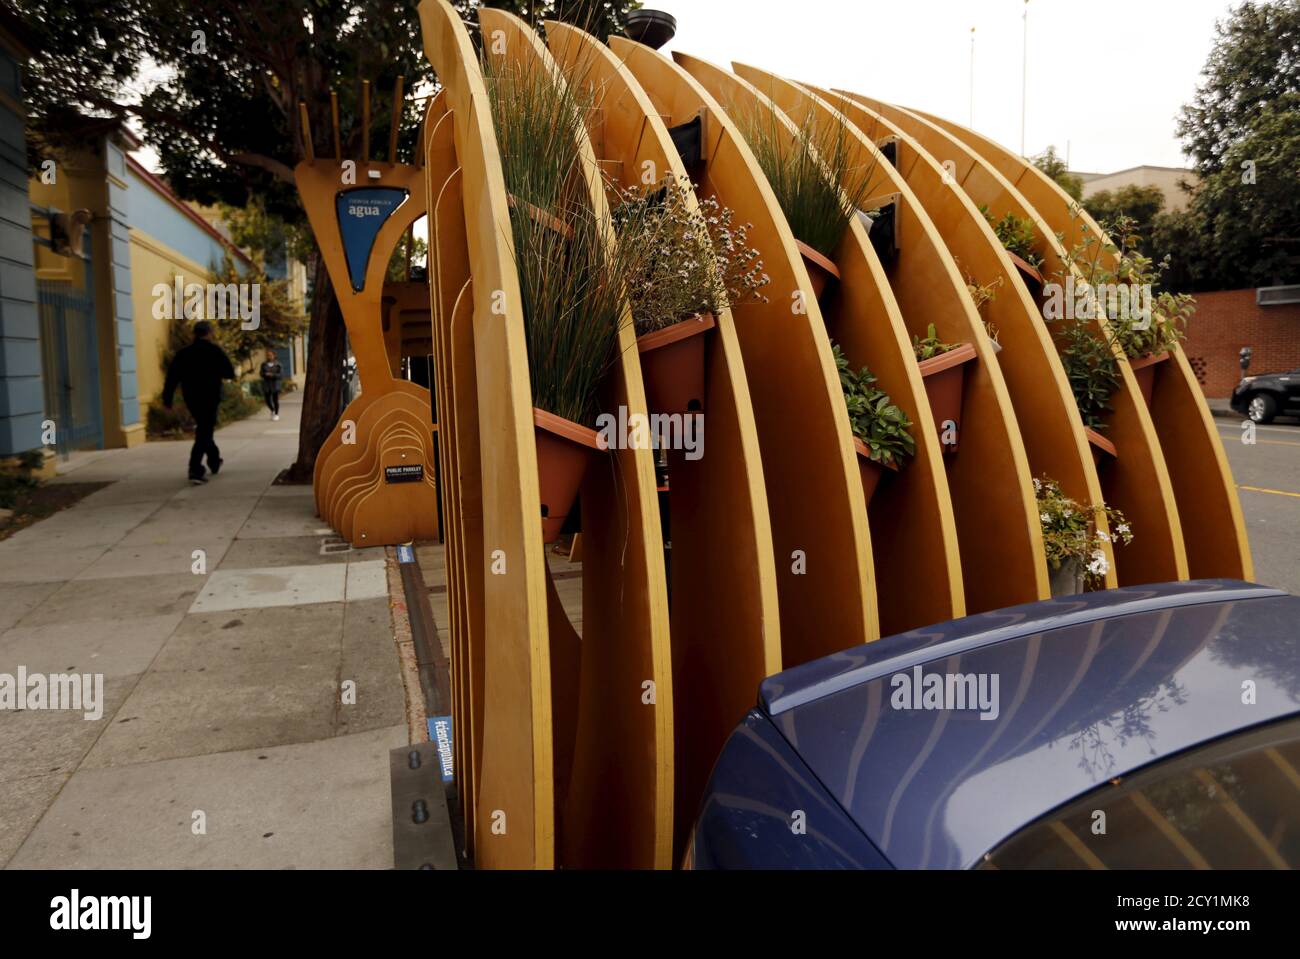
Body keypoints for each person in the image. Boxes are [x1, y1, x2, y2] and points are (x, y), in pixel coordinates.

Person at [162, 320, 236, 485]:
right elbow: (230, 373)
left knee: (204, 429)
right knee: (204, 430)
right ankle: (195, 468)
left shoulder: (183, 353)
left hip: (192, 397)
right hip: (210, 396)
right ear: (209, 333)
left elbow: (171, 378)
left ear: (194, 334)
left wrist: (167, 399)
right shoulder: (215, 351)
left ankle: (214, 460)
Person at [260, 349, 284, 420]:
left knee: (275, 400)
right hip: (267, 384)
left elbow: (281, 375)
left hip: (275, 384)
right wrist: (265, 374)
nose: (269, 356)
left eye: (270, 355)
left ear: (274, 356)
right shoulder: (264, 364)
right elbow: (261, 373)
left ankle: (276, 414)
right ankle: (272, 410)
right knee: (267, 400)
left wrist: (272, 375)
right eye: (268, 355)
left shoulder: (278, 365)